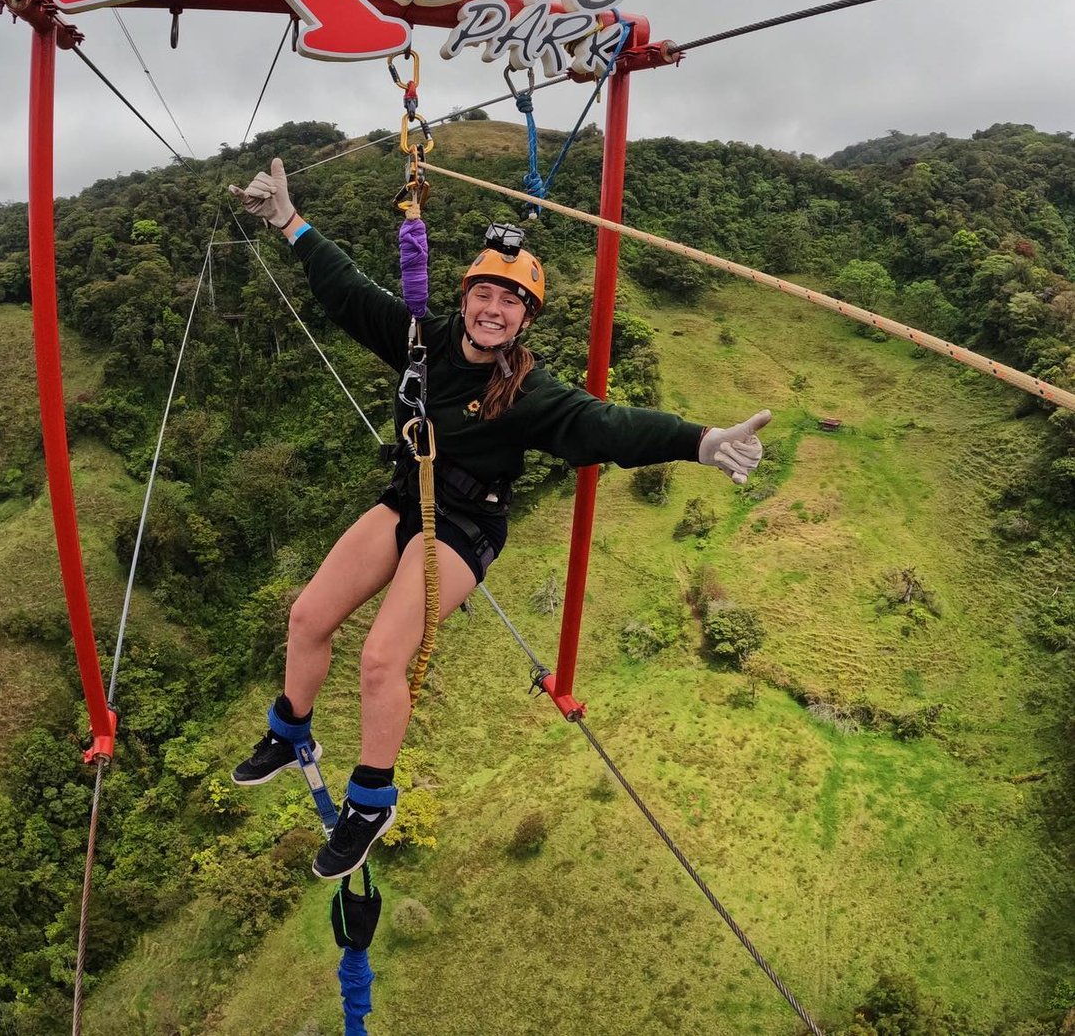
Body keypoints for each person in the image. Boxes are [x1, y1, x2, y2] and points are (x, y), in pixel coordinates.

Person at [227, 159, 770, 880]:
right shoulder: (421, 337)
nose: (495, 309)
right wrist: (290, 223)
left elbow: (606, 424)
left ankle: (369, 800)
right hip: (405, 496)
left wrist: (700, 442)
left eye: (511, 303)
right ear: (467, 297)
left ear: (524, 320)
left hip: (466, 524)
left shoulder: (528, 390)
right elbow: (348, 293)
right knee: (307, 616)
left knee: (381, 658)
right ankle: (290, 730)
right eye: (486, 293)